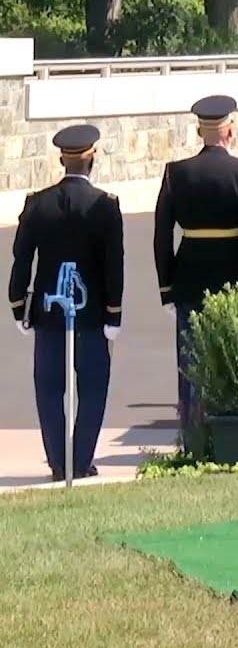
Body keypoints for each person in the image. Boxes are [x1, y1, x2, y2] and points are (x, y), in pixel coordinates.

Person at [8, 124, 123, 480]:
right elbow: (113, 264)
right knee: (92, 388)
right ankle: (81, 459)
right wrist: (113, 314)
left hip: (49, 312)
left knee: (49, 389)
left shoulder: (38, 203)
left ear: (62, 159)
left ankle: (59, 462)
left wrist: (18, 306)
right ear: (93, 160)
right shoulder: (105, 205)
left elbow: (22, 259)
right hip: (90, 314)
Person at [153, 94, 238, 450]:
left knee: (191, 362)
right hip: (233, 278)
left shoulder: (177, 172)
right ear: (229, 131)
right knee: (229, 359)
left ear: (200, 131)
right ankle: (228, 436)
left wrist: (167, 285)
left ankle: (193, 438)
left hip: (189, 277)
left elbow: (161, 234)